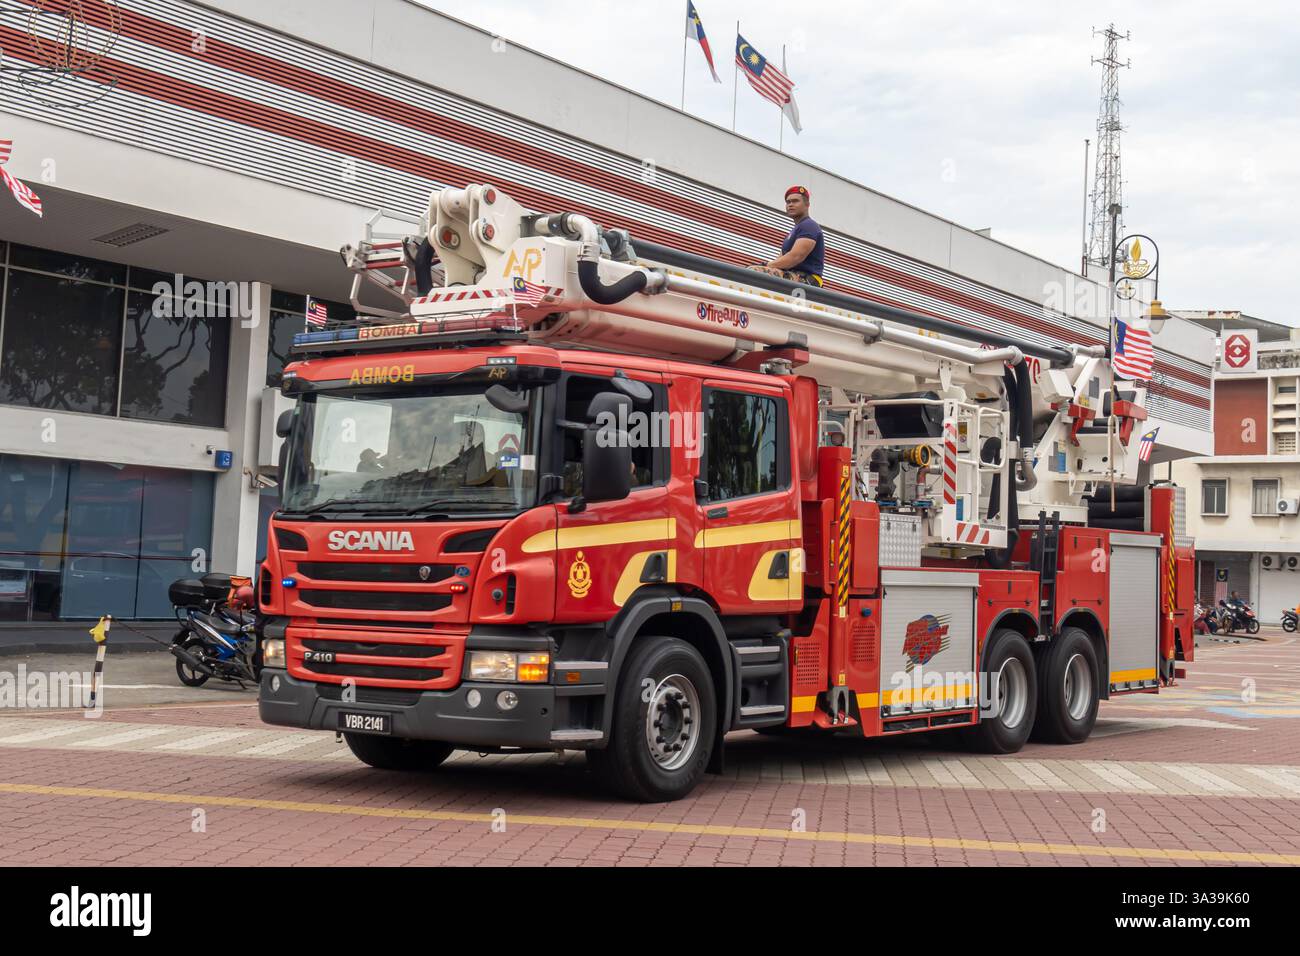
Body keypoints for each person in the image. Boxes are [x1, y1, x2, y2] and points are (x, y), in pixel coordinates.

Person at [754, 185, 825, 286]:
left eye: (795, 201)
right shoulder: (795, 231)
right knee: (754, 271)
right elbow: (781, 260)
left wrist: (766, 265)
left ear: (807, 204)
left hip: (809, 280)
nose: (790, 205)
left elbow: (795, 257)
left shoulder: (809, 226)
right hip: (792, 276)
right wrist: (768, 266)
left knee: (754, 272)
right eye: (788, 202)